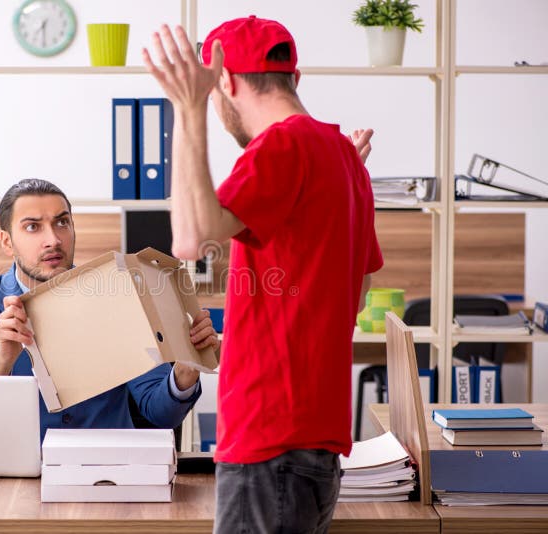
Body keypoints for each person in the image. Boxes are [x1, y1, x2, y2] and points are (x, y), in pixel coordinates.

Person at [143, 16, 381, 534]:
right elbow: (354, 295)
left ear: (224, 81)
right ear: (295, 77)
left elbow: (190, 239)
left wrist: (186, 109)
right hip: (316, 442)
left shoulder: (279, 147)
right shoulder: (344, 158)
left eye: (211, 94)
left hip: (268, 439)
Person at [0, 178, 220, 442]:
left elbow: (160, 414)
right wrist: (1, 360)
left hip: (110, 474)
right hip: (18, 478)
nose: (53, 240)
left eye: (62, 222)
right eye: (32, 227)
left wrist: (185, 371)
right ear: (6, 242)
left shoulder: (120, 297)